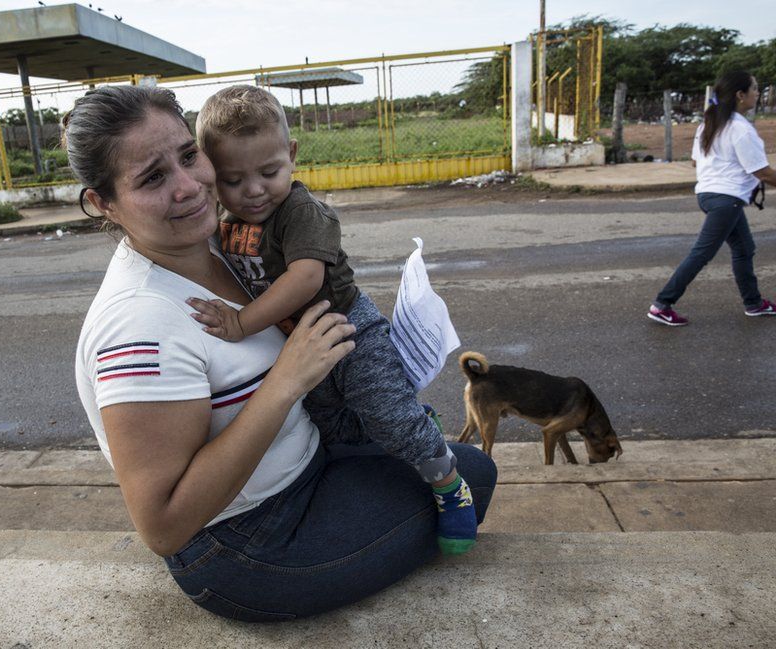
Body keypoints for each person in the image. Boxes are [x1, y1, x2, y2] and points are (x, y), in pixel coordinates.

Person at [68, 85, 497, 622]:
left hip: (308, 462)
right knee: (473, 475)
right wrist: (287, 380)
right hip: (249, 542)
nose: (190, 186)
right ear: (102, 203)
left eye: (187, 156)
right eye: (153, 177)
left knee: (439, 451)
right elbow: (163, 526)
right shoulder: (139, 323)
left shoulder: (218, 246)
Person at [188, 85, 477, 556]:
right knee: (331, 424)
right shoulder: (226, 220)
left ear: (292, 155)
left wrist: (242, 324)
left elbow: (305, 278)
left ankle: (449, 484)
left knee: (388, 415)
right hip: (300, 345)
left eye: (269, 171)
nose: (254, 190)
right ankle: (410, 426)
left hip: (346, 330)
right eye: (233, 179)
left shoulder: (301, 211)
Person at [648, 71, 776, 326]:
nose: (757, 93)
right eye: (754, 89)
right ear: (740, 95)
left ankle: (754, 303)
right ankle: (662, 304)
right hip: (725, 199)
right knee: (702, 253)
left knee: (744, 249)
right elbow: (761, 171)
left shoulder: (708, 124)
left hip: (709, 194)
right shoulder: (740, 129)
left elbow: (696, 160)